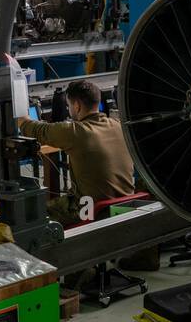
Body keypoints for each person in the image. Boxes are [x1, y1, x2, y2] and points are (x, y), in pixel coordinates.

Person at [17, 79, 135, 226]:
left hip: (92, 210)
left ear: (77, 106)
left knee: (32, 212)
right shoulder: (118, 126)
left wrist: (19, 113)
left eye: (69, 105)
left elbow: (33, 128)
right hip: (125, 205)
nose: (69, 109)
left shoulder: (75, 132)